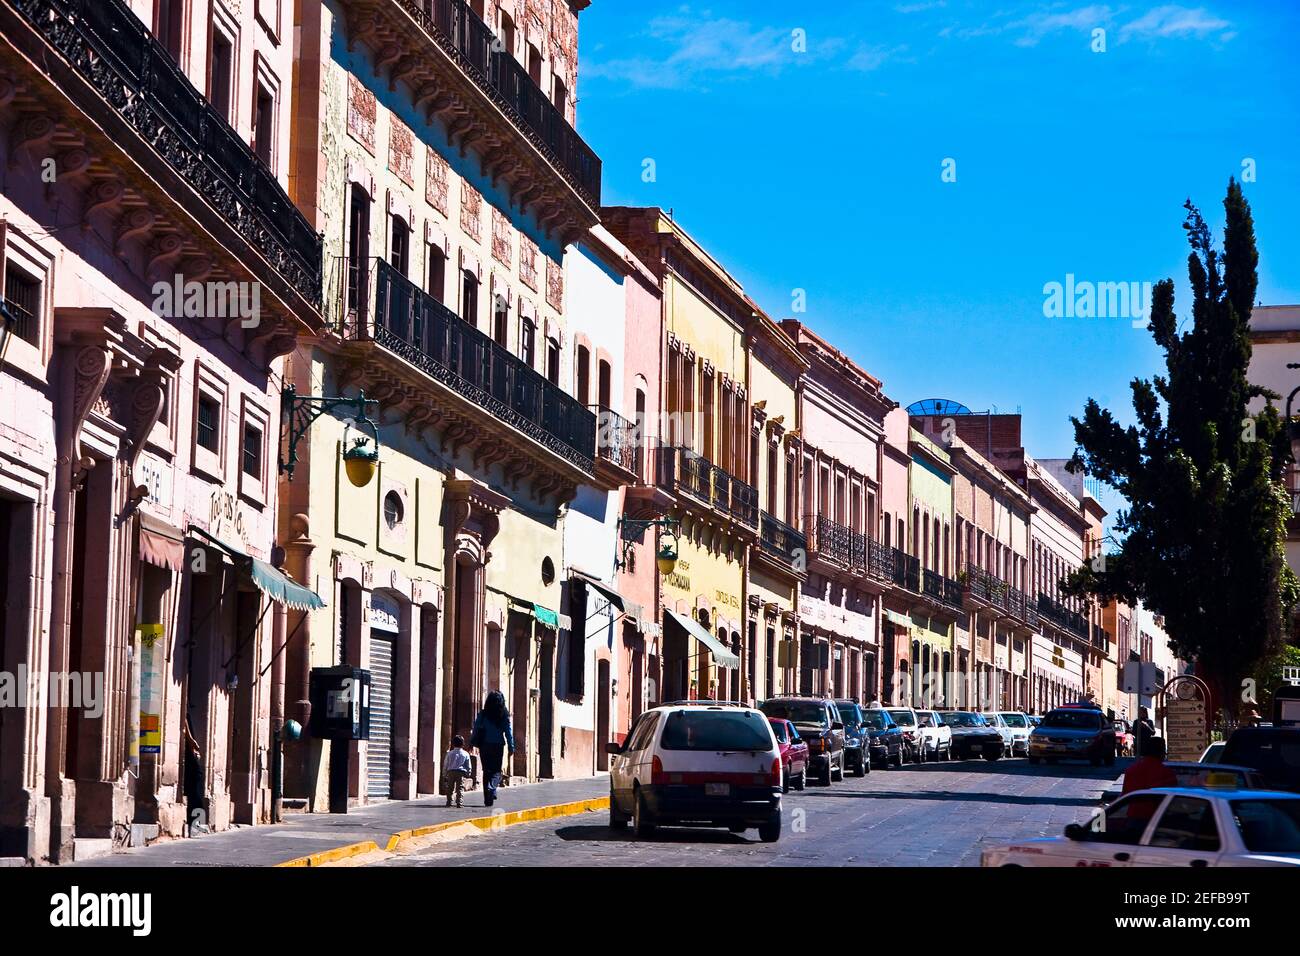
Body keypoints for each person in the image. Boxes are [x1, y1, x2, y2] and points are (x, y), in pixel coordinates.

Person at [470, 691, 515, 807]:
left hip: (484, 745)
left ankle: (487, 800)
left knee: (487, 771)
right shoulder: (504, 715)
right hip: (498, 745)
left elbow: (476, 728)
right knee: (496, 771)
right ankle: (492, 788)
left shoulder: (483, 714)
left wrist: (471, 742)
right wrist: (511, 747)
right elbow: (508, 732)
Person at [442, 734, 473, 808]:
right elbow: (468, 765)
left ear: (453, 744)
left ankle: (449, 801)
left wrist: (444, 773)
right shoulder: (465, 754)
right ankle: (459, 802)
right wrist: (468, 772)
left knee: (450, 787)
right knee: (460, 788)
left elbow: (446, 764)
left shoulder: (449, 753)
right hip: (460, 773)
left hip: (451, 772)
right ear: (463, 744)